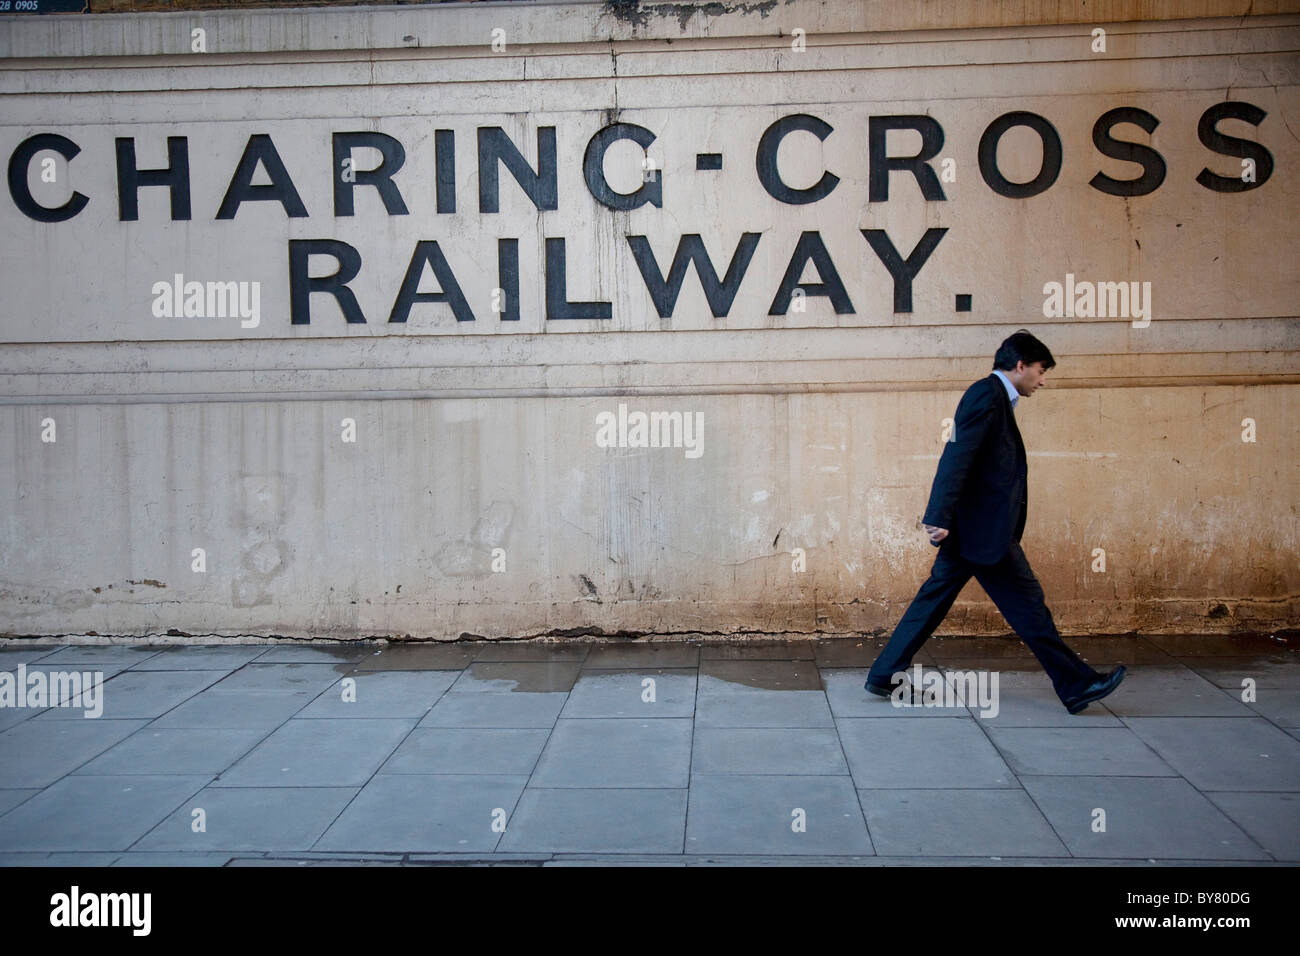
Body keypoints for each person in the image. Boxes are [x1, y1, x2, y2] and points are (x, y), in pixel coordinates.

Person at [864, 329, 1125, 714]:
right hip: (984, 533)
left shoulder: (996, 398)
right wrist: (937, 515)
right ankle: (1076, 684)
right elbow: (957, 454)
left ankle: (884, 674)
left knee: (932, 603)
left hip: (974, 531)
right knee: (1029, 607)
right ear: (1020, 365)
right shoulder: (987, 395)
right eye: (1040, 369)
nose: (1043, 379)